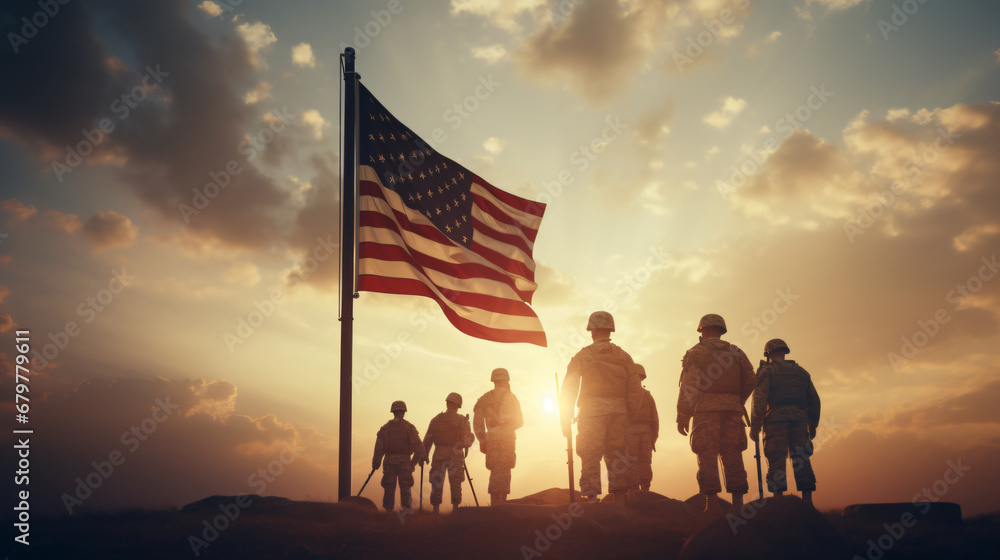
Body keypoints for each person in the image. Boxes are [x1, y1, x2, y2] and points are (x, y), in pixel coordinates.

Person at [560, 311, 644, 503]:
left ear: (591, 330)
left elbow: (569, 389)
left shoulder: (583, 355)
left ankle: (592, 501)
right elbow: (635, 389)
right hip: (619, 412)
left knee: (590, 453)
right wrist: (630, 414)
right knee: (618, 455)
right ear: (610, 328)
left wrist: (565, 419)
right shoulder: (624, 357)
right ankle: (620, 501)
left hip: (591, 413)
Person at [676, 313, 755, 513]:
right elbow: (751, 379)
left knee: (707, 454)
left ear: (701, 331)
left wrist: (683, 415)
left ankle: (711, 505)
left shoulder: (696, 352)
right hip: (732, 411)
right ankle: (738, 504)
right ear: (722, 330)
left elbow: (689, 385)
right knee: (733, 454)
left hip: (705, 410)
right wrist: (737, 400)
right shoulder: (736, 352)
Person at [750, 338, 821, 507]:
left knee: (776, 458)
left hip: (776, 419)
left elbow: (759, 400)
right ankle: (807, 500)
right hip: (800, 419)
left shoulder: (767, 372)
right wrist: (812, 423)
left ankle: (778, 501)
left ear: (768, 353)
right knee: (802, 458)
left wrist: (755, 426)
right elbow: (814, 400)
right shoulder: (802, 372)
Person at [473, 368, 524, 505]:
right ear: (506, 380)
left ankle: (494, 504)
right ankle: (503, 506)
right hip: (507, 438)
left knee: (495, 469)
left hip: (492, 439)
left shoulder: (484, 399)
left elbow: (477, 423)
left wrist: (482, 440)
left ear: (493, 380)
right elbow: (520, 421)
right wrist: (506, 428)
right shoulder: (512, 397)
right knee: (505, 468)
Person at [422, 392, 475, 513]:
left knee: (436, 482)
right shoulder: (462, 420)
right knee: (455, 482)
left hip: (439, 453)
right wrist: (471, 438)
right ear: (458, 405)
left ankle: (436, 511)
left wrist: (423, 456)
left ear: (447, 403)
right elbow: (467, 441)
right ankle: (455, 512)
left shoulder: (436, 419)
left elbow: (427, 440)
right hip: (455, 454)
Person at [372, 400, 426, 511]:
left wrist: (375, 464)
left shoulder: (385, 428)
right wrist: (413, 464)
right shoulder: (409, 427)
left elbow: (379, 448)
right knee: (405, 489)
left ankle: (388, 514)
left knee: (389, 488)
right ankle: (405, 514)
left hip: (389, 461)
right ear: (404, 412)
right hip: (405, 462)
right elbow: (419, 448)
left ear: (393, 411)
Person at [628, 364, 659, 493]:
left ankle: (635, 491)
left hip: (632, 432)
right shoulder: (647, 395)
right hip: (646, 433)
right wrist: (653, 438)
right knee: (644, 462)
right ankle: (644, 490)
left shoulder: (626, 396)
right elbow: (655, 421)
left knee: (633, 462)